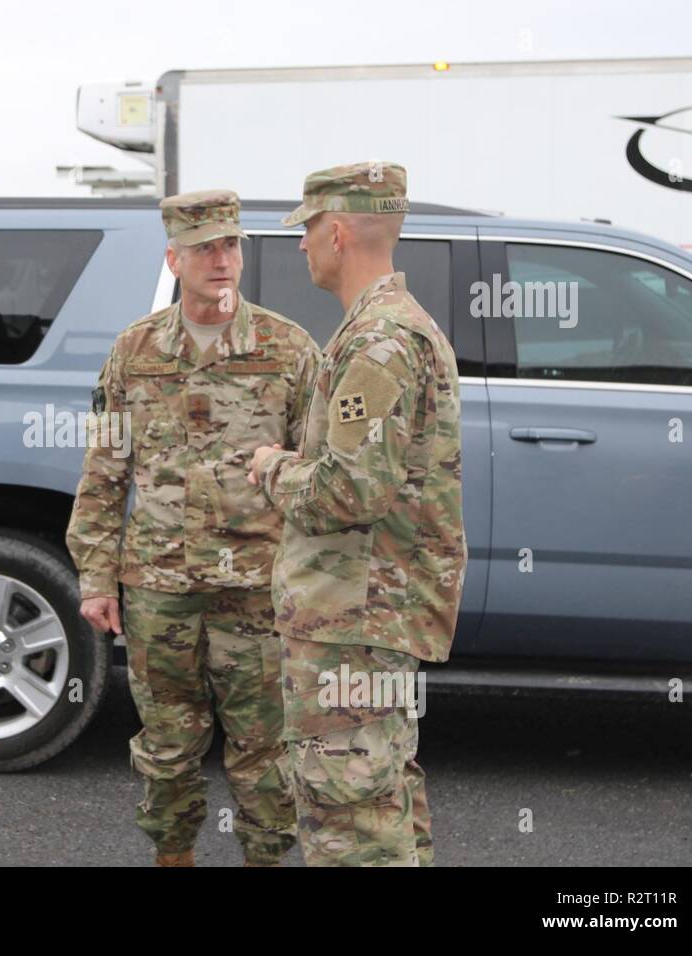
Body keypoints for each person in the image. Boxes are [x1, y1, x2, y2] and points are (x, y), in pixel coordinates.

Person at [67, 190, 320, 866]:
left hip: (258, 590)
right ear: (172, 259)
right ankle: (172, 856)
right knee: (167, 746)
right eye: (204, 247)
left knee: (265, 748)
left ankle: (265, 858)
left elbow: (319, 476)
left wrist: (315, 584)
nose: (221, 258)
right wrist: (96, 577)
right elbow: (103, 474)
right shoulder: (135, 351)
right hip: (160, 588)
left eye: (230, 244)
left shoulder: (288, 349)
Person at [250, 161, 467, 866]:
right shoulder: (386, 329)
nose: (301, 245)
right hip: (367, 611)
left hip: (355, 613)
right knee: (381, 794)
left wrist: (271, 467)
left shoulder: (379, 342)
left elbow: (348, 493)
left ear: (338, 232)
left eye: (308, 229)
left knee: (351, 817)